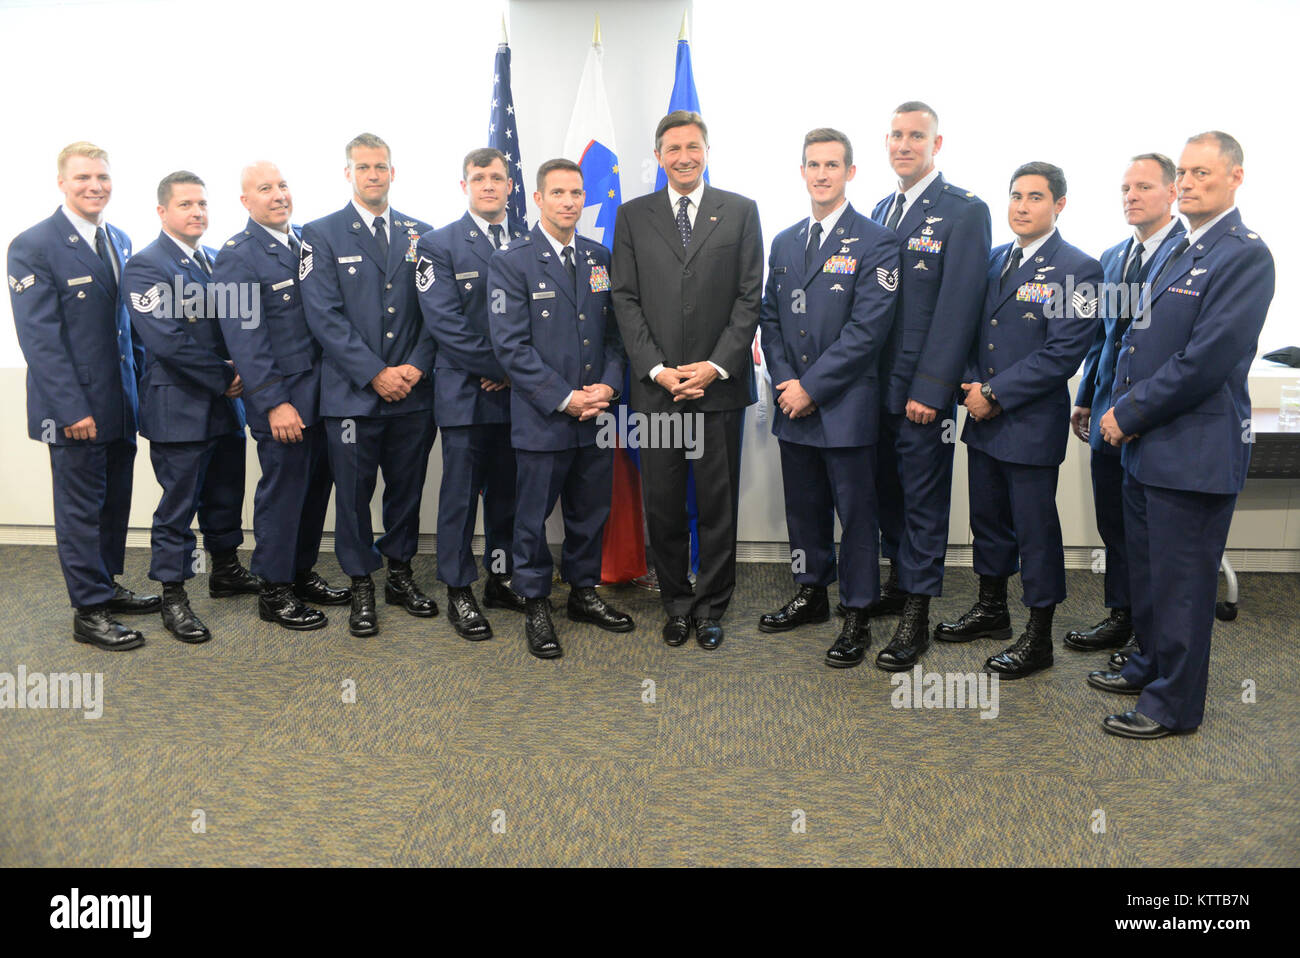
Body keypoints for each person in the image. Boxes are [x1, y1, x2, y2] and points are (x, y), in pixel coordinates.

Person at [1093, 132, 1274, 739]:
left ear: (1235, 178)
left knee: (1183, 588)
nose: (1190, 183)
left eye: (1202, 173)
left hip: (1192, 450)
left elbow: (1204, 362)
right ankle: (1148, 667)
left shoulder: (1244, 254)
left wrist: (1127, 412)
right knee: (1148, 576)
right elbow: (1137, 343)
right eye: (1185, 174)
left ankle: (1172, 707)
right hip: (1149, 448)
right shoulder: (1176, 248)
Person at [937, 162, 1102, 679]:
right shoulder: (992, 261)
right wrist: (969, 386)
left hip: (1027, 424)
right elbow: (964, 327)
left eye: (1035, 197)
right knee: (986, 521)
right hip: (983, 420)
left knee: (1035, 530)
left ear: (1059, 205)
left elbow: (1062, 355)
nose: (1022, 207)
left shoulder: (1081, 269)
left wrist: (993, 393)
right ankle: (992, 612)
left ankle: (1039, 635)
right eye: (1015, 196)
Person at [611, 110, 763, 651]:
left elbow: (750, 299)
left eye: (693, 147)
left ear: (706, 151)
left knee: (718, 505)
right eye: (673, 148)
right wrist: (657, 368)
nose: (683, 157)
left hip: (717, 388)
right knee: (665, 502)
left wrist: (714, 365)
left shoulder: (741, 212)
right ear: (658, 156)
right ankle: (675, 604)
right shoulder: (633, 216)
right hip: (656, 391)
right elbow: (624, 298)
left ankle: (712, 606)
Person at [756, 128, 898, 668]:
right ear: (802, 172)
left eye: (833, 165)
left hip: (844, 407)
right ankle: (811, 592)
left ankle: (857, 611)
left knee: (857, 515)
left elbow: (868, 332)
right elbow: (770, 321)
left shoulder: (876, 241)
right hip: (794, 405)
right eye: (813, 165)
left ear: (851, 173)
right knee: (804, 510)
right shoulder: (786, 241)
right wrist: (788, 382)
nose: (822, 174)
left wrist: (812, 388)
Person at [7, 141, 155, 650]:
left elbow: (129, 329)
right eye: (83, 179)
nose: (95, 187)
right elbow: (40, 340)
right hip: (75, 410)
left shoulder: (121, 238)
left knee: (114, 503)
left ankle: (106, 584)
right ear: (61, 183)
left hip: (120, 402)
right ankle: (88, 611)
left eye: (102, 178)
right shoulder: (33, 245)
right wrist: (72, 409)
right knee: (79, 510)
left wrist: (141, 393)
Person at [487, 159, 632, 659]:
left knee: (590, 511)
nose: (569, 201)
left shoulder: (599, 257)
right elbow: (511, 347)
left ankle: (584, 592)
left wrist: (608, 390)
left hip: (595, 416)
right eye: (558, 193)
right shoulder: (512, 260)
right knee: (531, 518)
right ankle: (535, 601)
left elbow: (616, 338)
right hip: (544, 417)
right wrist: (565, 398)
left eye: (576, 192)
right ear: (539, 200)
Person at [869, 101, 991, 671]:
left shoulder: (964, 212)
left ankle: (917, 610)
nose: (903, 145)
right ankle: (898, 578)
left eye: (916, 136)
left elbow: (959, 307)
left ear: (936, 145)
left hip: (922, 391)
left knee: (922, 500)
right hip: (875, 388)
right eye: (896, 135)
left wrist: (934, 387)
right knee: (887, 493)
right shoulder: (878, 208)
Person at [300, 133, 438, 638]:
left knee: (406, 489)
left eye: (381, 166)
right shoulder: (320, 235)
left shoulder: (422, 234)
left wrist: (416, 367)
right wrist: (375, 373)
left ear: (393, 172)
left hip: (413, 394)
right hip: (352, 395)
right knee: (353, 495)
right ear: (348, 174)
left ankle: (399, 574)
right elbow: (323, 317)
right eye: (363, 167)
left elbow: (433, 313)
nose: (373, 175)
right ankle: (362, 581)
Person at [213, 161, 351, 631]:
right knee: (284, 494)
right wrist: (274, 402)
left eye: (283, 185)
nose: (278, 195)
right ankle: (274, 591)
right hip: (284, 403)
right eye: (265, 188)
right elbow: (243, 338)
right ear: (245, 201)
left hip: (323, 397)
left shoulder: (304, 245)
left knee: (315, 493)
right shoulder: (236, 255)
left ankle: (300, 572)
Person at [122, 171, 257, 644]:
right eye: (186, 205)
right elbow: (168, 341)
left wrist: (245, 370)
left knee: (225, 494)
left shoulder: (215, 260)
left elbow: (238, 327)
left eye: (202, 204)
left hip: (224, 409)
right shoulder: (145, 267)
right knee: (177, 508)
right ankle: (173, 595)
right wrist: (228, 376)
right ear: (162, 212)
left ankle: (225, 570)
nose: (197, 212)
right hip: (178, 409)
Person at [1067, 154, 1184, 660]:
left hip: (1153, 422)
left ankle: (1149, 631)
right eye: (1124, 189)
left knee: (1149, 534)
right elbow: (1103, 341)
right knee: (1114, 524)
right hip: (1107, 418)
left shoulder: (1187, 254)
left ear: (1172, 192)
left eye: (1142, 187)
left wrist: (1136, 412)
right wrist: (1086, 399)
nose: (1130, 197)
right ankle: (1121, 615)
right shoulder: (1113, 257)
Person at [416, 147, 526, 641]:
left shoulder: (528, 240)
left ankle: (500, 578)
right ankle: (459, 588)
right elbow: (446, 326)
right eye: (478, 177)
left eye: (497, 178)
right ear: (464, 186)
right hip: (464, 395)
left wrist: (514, 374)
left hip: (518, 398)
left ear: (509, 186)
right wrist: (503, 367)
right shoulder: (437, 246)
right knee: (460, 498)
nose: (488, 185)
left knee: (508, 497)